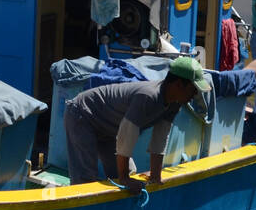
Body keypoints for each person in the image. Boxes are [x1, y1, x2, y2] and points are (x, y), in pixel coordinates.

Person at [64, 55, 211, 189]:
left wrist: (155, 176)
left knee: (128, 172)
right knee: (85, 181)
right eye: (193, 89)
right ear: (179, 85)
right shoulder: (149, 97)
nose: (195, 95)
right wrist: (124, 179)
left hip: (107, 128)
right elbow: (126, 135)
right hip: (83, 114)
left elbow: (160, 138)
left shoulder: (175, 103)